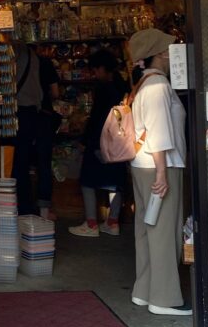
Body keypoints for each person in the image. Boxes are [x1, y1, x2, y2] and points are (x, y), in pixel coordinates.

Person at [127, 28, 191, 316]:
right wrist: (163, 174)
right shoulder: (158, 86)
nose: (172, 51)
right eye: (168, 48)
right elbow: (160, 132)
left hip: (142, 166)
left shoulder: (144, 84)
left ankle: (144, 290)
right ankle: (163, 298)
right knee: (165, 232)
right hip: (160, 166)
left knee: (147, 229)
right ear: (159, 53)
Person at [69, 50, 130, 238]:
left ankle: (91, 223)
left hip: (100, 142)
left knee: (87, 181)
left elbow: (96, 119)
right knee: (116, 182)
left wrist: (86, 141)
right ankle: (112, 222)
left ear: (102, 68)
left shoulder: (104, 88)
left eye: (95, 70)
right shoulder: (123, 85)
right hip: (120, 142)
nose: (95, 74)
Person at [12, 42, 60, 217]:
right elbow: (55, 92)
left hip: (21, 114)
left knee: (21, 161)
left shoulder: (13, 60)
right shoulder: (45, 63)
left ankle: (24, 207)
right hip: (43, 115)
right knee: (43, 162)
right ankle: (44, 209)